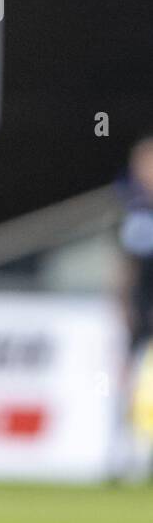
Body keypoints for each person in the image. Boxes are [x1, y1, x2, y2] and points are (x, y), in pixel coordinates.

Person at [114, 135, 153, 481]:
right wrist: (123, 305)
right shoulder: (131, 207)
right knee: (131, 383)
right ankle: (125, 457)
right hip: (141, 311)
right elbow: (125, 267)